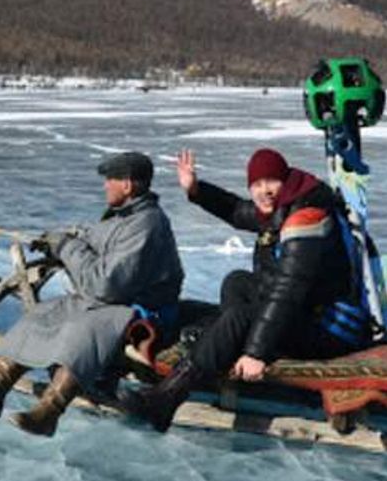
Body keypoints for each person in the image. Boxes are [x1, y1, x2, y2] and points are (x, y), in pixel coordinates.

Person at [0, 151, 183, 437]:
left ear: (127, 185)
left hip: (139, 311)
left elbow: (104, 286)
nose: (105, 185)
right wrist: (58, 238)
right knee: (44, 314)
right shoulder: (127, 217)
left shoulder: (147, 224)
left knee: (86, 328)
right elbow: (92, 236)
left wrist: (67, 248)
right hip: (109, 302)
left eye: (110, 180)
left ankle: (49, 411)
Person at [119, 146, 361, 432]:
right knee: (237, 282)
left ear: (285, 180)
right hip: (308, 309)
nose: (264, 190)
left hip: (332, 329)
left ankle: (165, 400)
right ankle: (227, 344)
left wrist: (256, 352)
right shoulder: (287, 202)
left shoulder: (306, 218)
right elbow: (237, 210)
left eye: (271, 181)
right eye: (257, 184)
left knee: (240, 318)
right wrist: (196, 189)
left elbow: (288, 290)